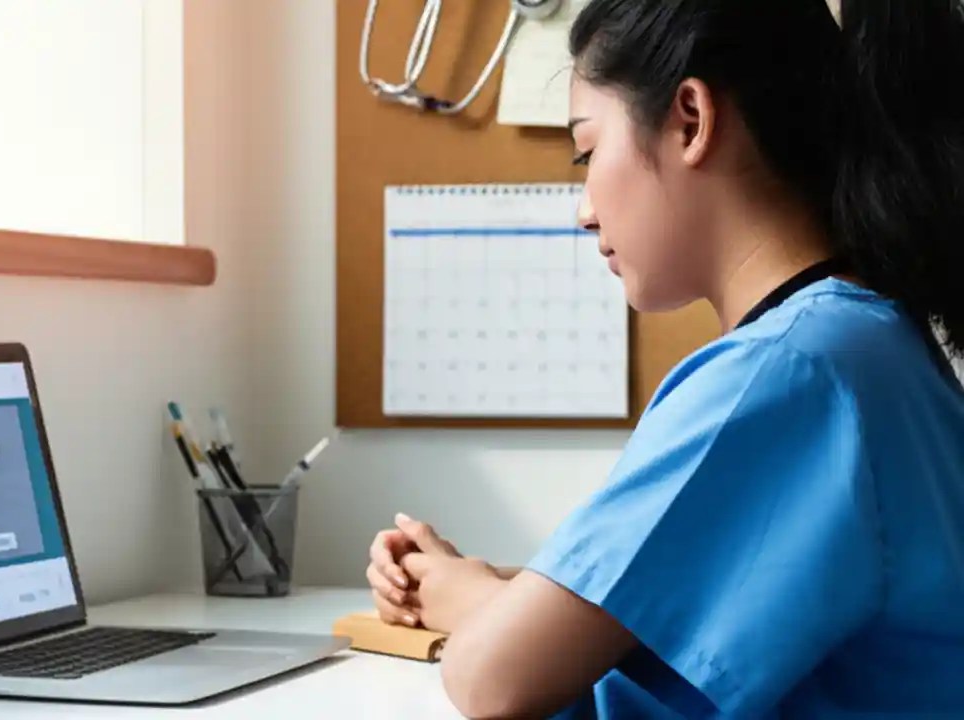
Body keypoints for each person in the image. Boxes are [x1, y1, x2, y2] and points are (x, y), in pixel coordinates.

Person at [365, 0, 964, 717]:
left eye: (588, 153)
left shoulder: (786, 372)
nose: (583, 209)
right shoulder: (866, 341)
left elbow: (492, 680)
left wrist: (472, 601)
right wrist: (500, 587)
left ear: (690, 118)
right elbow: (693, 603)